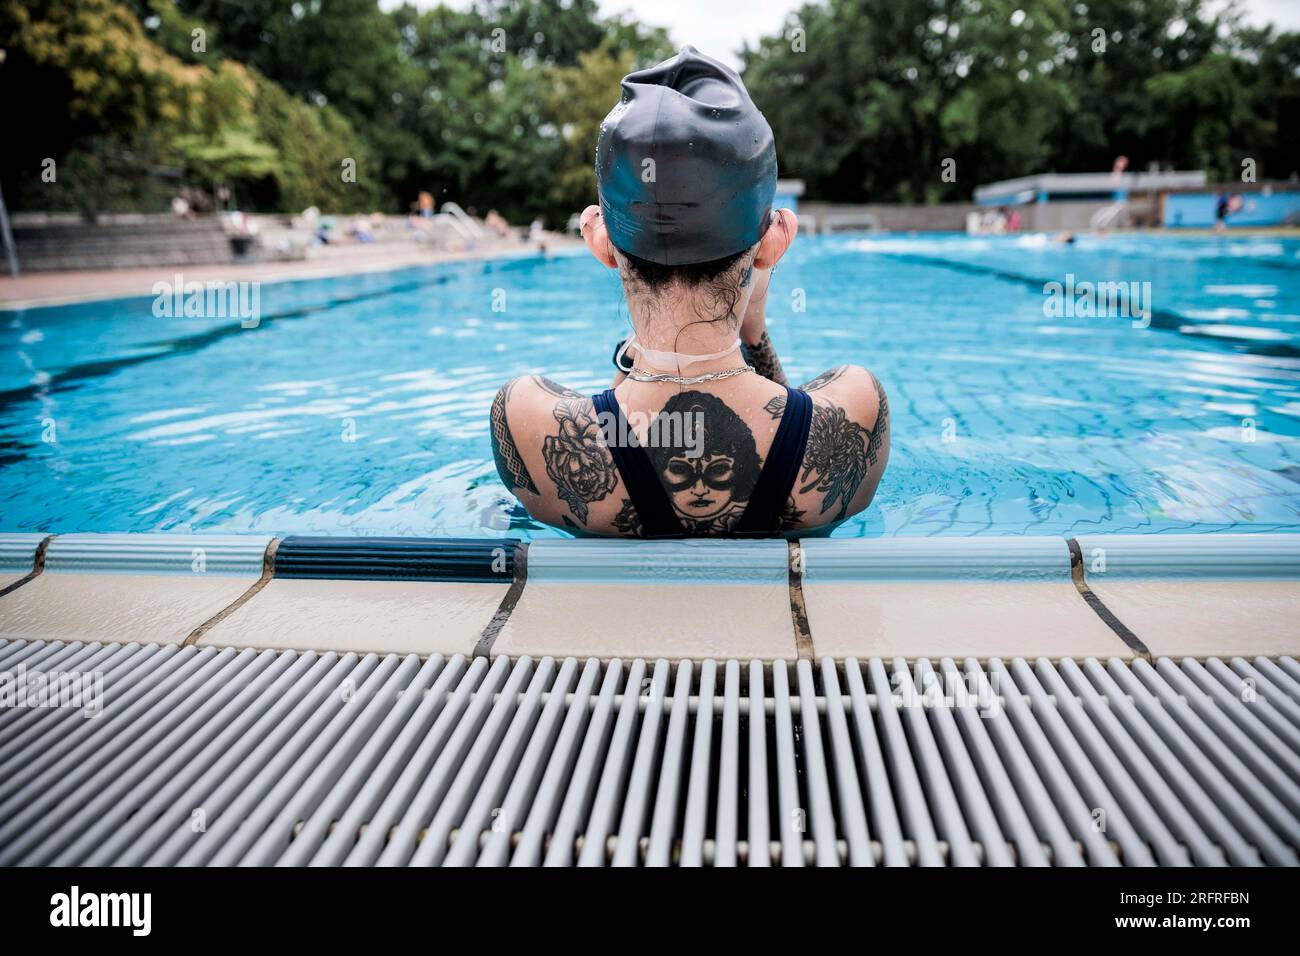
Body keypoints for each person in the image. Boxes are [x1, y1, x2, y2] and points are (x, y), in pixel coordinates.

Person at [489, 47, 888, 537]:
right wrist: (753, 329)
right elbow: (787, 423)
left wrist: (639, 352)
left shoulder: (522, 419)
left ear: (599, 240)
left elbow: (609, 423)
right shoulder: (862, 406)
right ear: (775, 241)